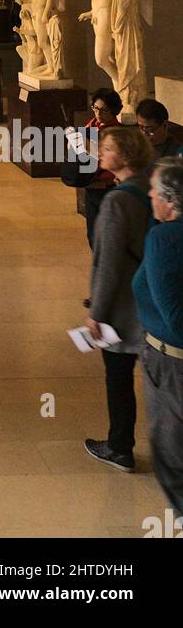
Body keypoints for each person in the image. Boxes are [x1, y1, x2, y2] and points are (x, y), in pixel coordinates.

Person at [83, 126, 156, 472]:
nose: (100, 152)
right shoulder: (150, 189)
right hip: (152, 302)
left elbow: (108, 264)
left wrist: (96, 312)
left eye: (108, 148)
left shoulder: (116, 202)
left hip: (123, 307)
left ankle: (119, 446)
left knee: (118, 377)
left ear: (124, 156)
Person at [134, 161, 183, 515]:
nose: (149, 194)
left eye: (154, 189)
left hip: (171, 366)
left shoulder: (164, 240)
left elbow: (176, 318)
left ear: (171, 200)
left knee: (171, 457)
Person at [61, 88, 122, 247]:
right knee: (93, 236)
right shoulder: (91, 126)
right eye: (95, 108)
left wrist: (85, 146)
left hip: (107, 189)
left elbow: (99, 155)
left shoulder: (117, 132)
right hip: (91, 188)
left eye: (104, 110)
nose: (98, 113)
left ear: (114, 110)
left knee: (107, 237)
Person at [135, 98, 183, 162]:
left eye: (149, 129)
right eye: (141, 127)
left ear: (165, 125)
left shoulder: (177, 154)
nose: (144, 133)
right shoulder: (135, 146)